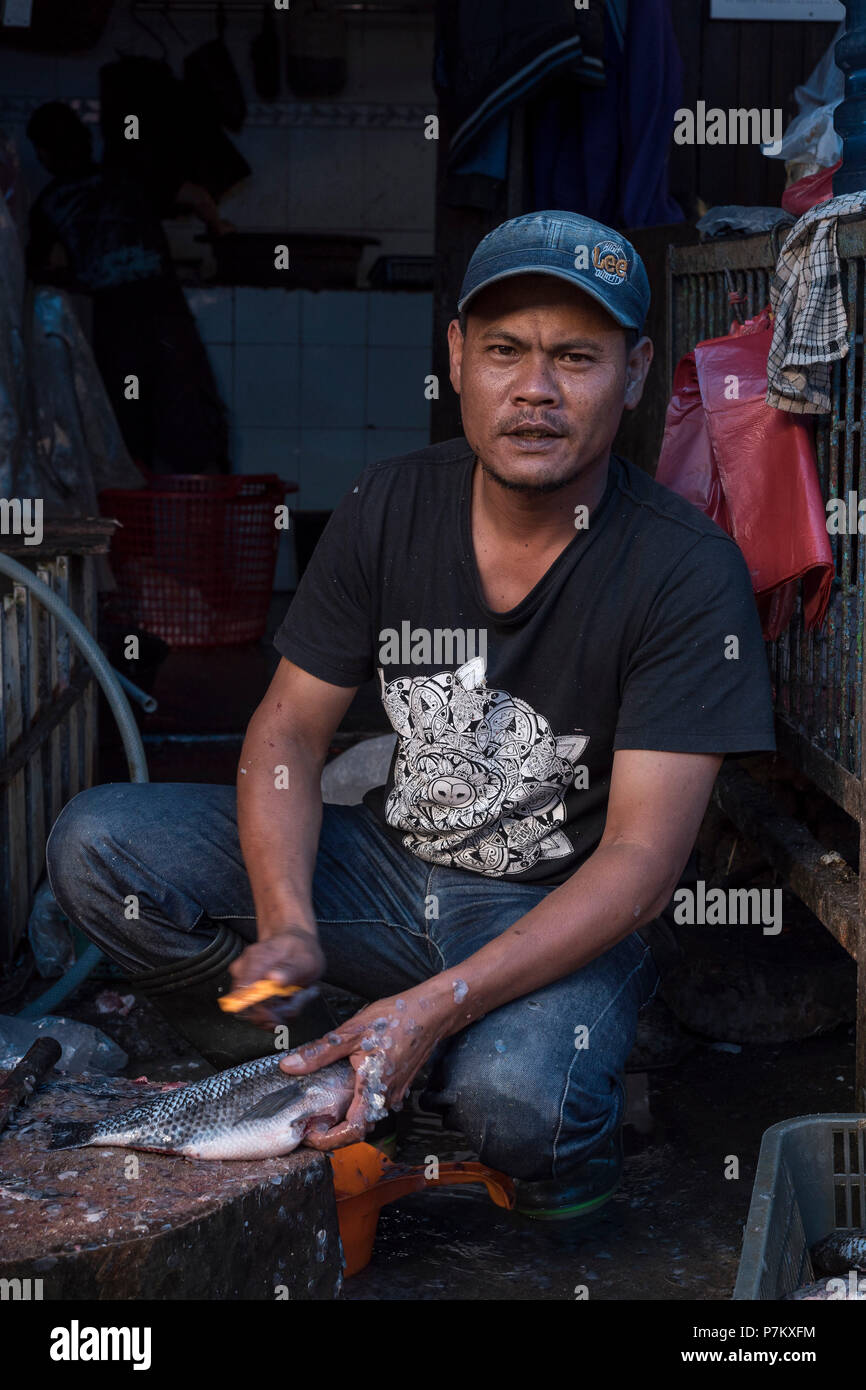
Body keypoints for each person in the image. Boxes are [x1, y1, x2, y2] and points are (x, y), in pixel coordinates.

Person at [46, 211, 776, 1218]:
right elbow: (290, 730)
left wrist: (441, 1003)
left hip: (556, 909)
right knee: (99, 842)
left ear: (635, 369)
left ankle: (519, 1146)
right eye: (504, 352)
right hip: (387, 876)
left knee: (520, 1102)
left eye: (575, 357)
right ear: (456, 358)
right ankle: (306, 1050)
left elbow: (640, 869)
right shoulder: (389, 503)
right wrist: (290, 923)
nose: (535, 390)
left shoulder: (683, 570)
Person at [25, 101, 230, 475]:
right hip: (165, 318)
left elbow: (41, 271)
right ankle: (195, 508)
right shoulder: (130, 176)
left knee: (127, 422)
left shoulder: (49, 204)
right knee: (189, 417)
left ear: (43, 153)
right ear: (85, 141)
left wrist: (83, 274)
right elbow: (198, 197)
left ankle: (137, 513)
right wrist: (220, 231)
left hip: (116, 324)